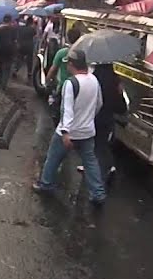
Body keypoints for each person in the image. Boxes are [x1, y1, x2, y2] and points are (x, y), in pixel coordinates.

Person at [33, 49, 106, 206]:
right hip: (87, 131)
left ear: (72, 64)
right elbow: (99, 103)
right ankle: (98, 193)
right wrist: (88, 118)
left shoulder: (70, 83)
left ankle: (46, 184)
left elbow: (67, 109)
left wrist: (66, 131)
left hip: (69, 132)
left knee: (53, 157)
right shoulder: (94, 80)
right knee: (90, 162)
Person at [81, 62, 125, 180]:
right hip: (108, 118)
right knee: (102, 144)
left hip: (94, 116)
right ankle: (107, 166)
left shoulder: (93, 78)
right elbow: (121, 107)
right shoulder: (116, 81)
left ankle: (98, 177)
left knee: (92, 144)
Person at [0, 14, 18, 89]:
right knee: (7, 69)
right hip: (10, 51)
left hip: (0, 50)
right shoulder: (13, 29)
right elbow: (15, 40)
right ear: (10, 20)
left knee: (0, 68)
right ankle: (3, 86)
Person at [16, 16, 38, 82]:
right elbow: (35, 35)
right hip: (29, 46)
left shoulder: (21, 28)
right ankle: (29, 72)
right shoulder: (32, 29)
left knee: (20, 58)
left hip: (21, 45)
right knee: (29, 60)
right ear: (31, 23)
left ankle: (16, 69)